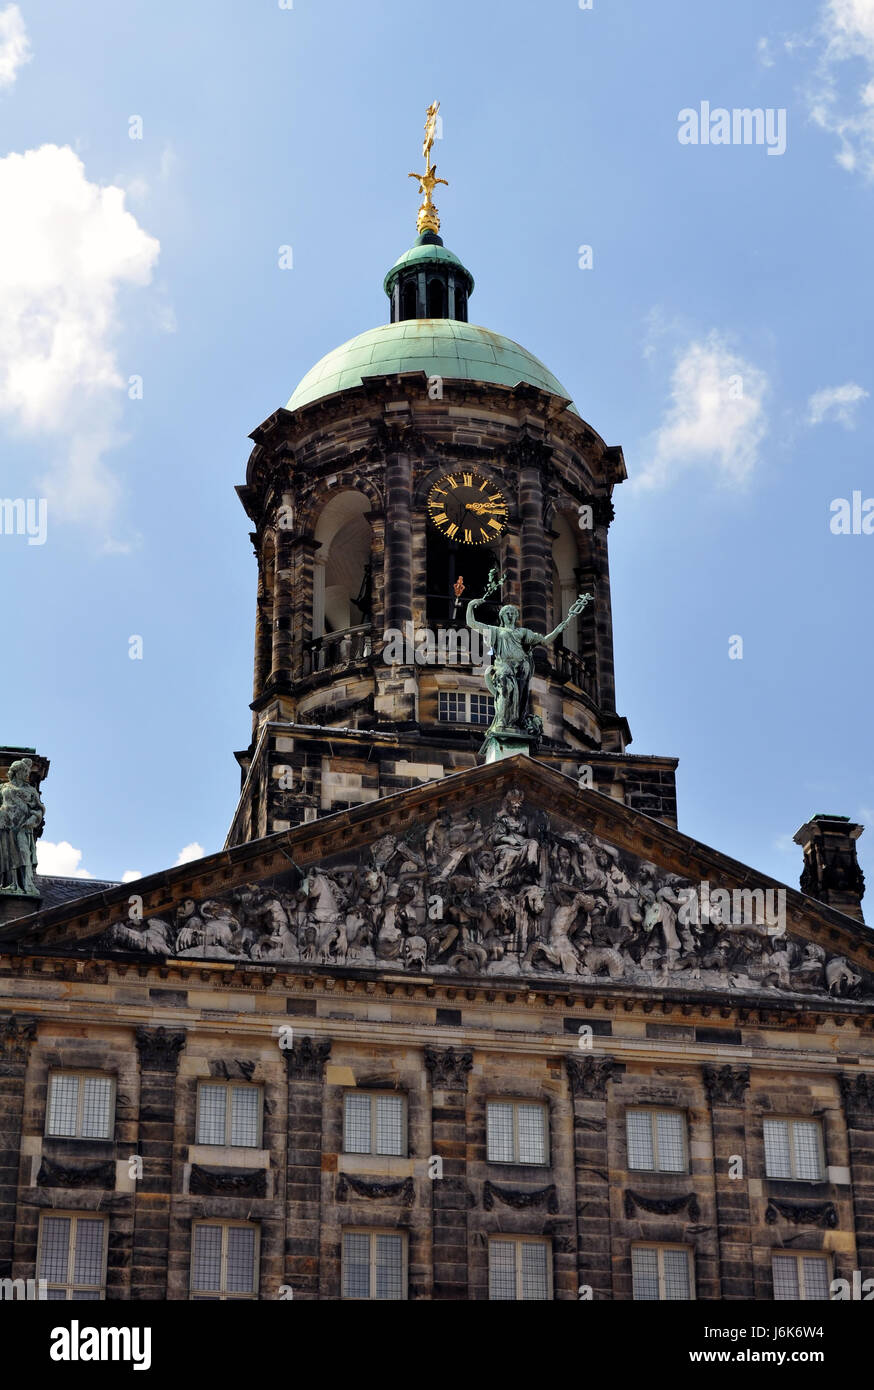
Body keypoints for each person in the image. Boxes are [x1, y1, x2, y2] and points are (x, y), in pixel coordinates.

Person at [466, 579, 592, 734]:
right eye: (507, 613)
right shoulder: (496, 631)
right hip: (504, 665)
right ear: (502, 616)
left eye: (513, 613)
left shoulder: (523, 632)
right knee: (505, 689)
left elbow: (545, 640)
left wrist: (559, 629)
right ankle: (502, 722)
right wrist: (471, 605)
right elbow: (471, 623)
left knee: (520, 699)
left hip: (521, 667)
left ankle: (514, 724)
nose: (510, 615)